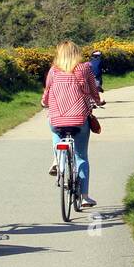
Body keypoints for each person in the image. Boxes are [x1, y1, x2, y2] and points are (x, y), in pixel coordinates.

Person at [42, 40, 104, 208]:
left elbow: (47, 93)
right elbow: (93, 90)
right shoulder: (85, 68)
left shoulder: (53, 71)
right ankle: (84, 197)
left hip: (57, 119)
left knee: (55, 129)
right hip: (79, 120)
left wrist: (44, 102)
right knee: (81, 156)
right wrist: (98, 101)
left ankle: (57, 159)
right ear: (77, 53)